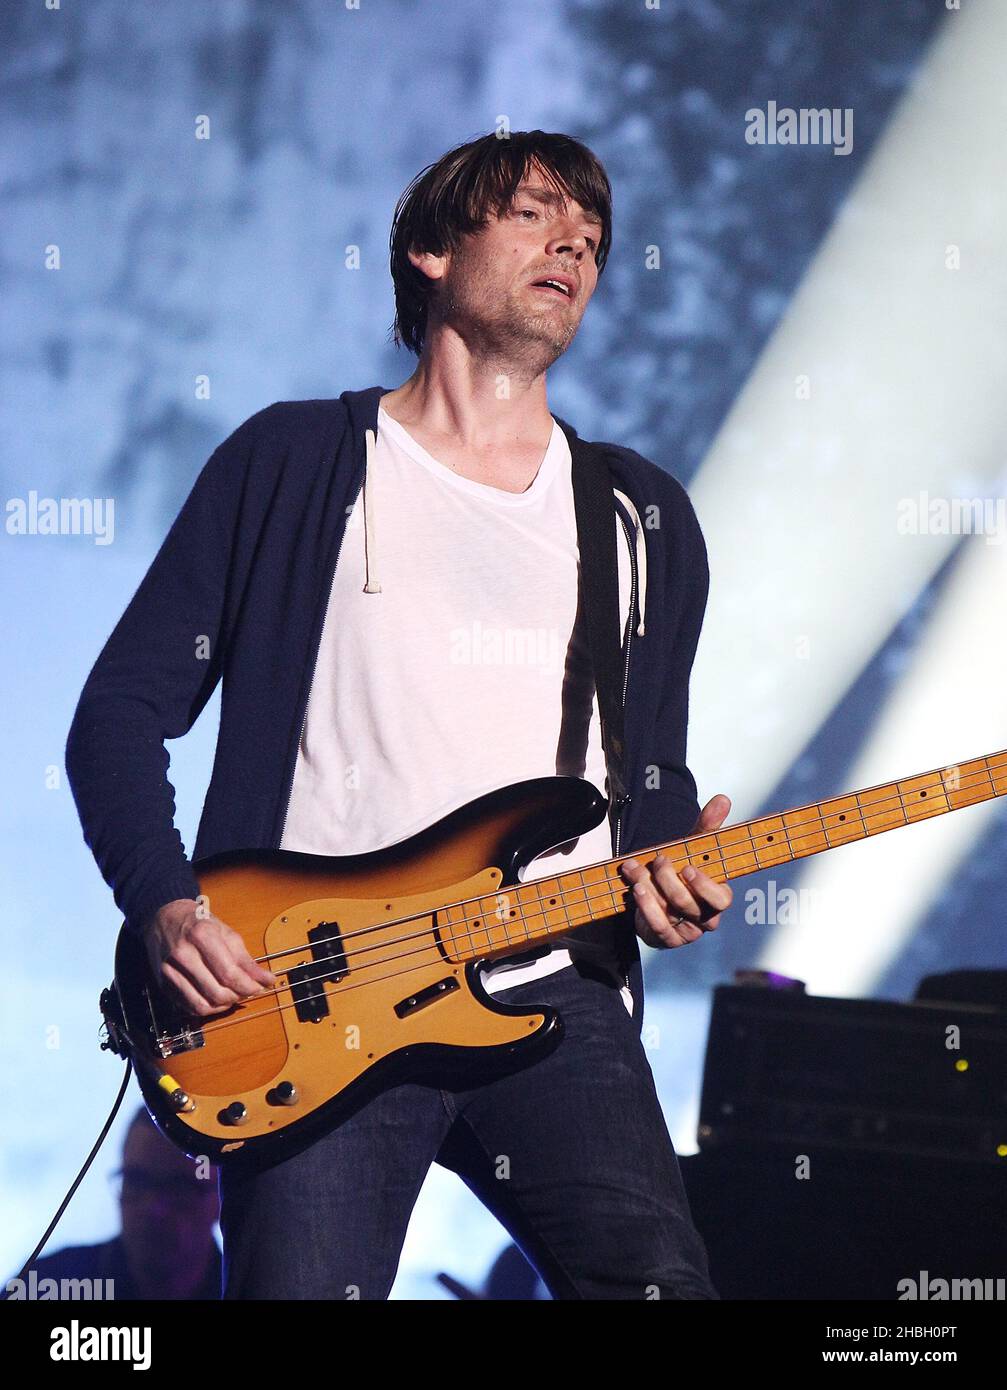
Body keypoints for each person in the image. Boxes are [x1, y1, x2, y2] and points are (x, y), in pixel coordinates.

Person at [66, 129, 733, 1300]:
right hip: (315, 992)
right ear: (428, 250)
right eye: (533, 216)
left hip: (553, 994)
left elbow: (652, 775)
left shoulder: (641, 515)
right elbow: (120, 713)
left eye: (590, 235)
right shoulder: (294, 463)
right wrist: (167, 906)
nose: (572, 244)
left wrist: (670, 865)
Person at [7, 1107, 220, 1300]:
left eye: (179, 1188)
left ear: (222, 1200)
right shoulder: (45, 1285)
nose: (153, 1208)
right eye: (137, 1182)